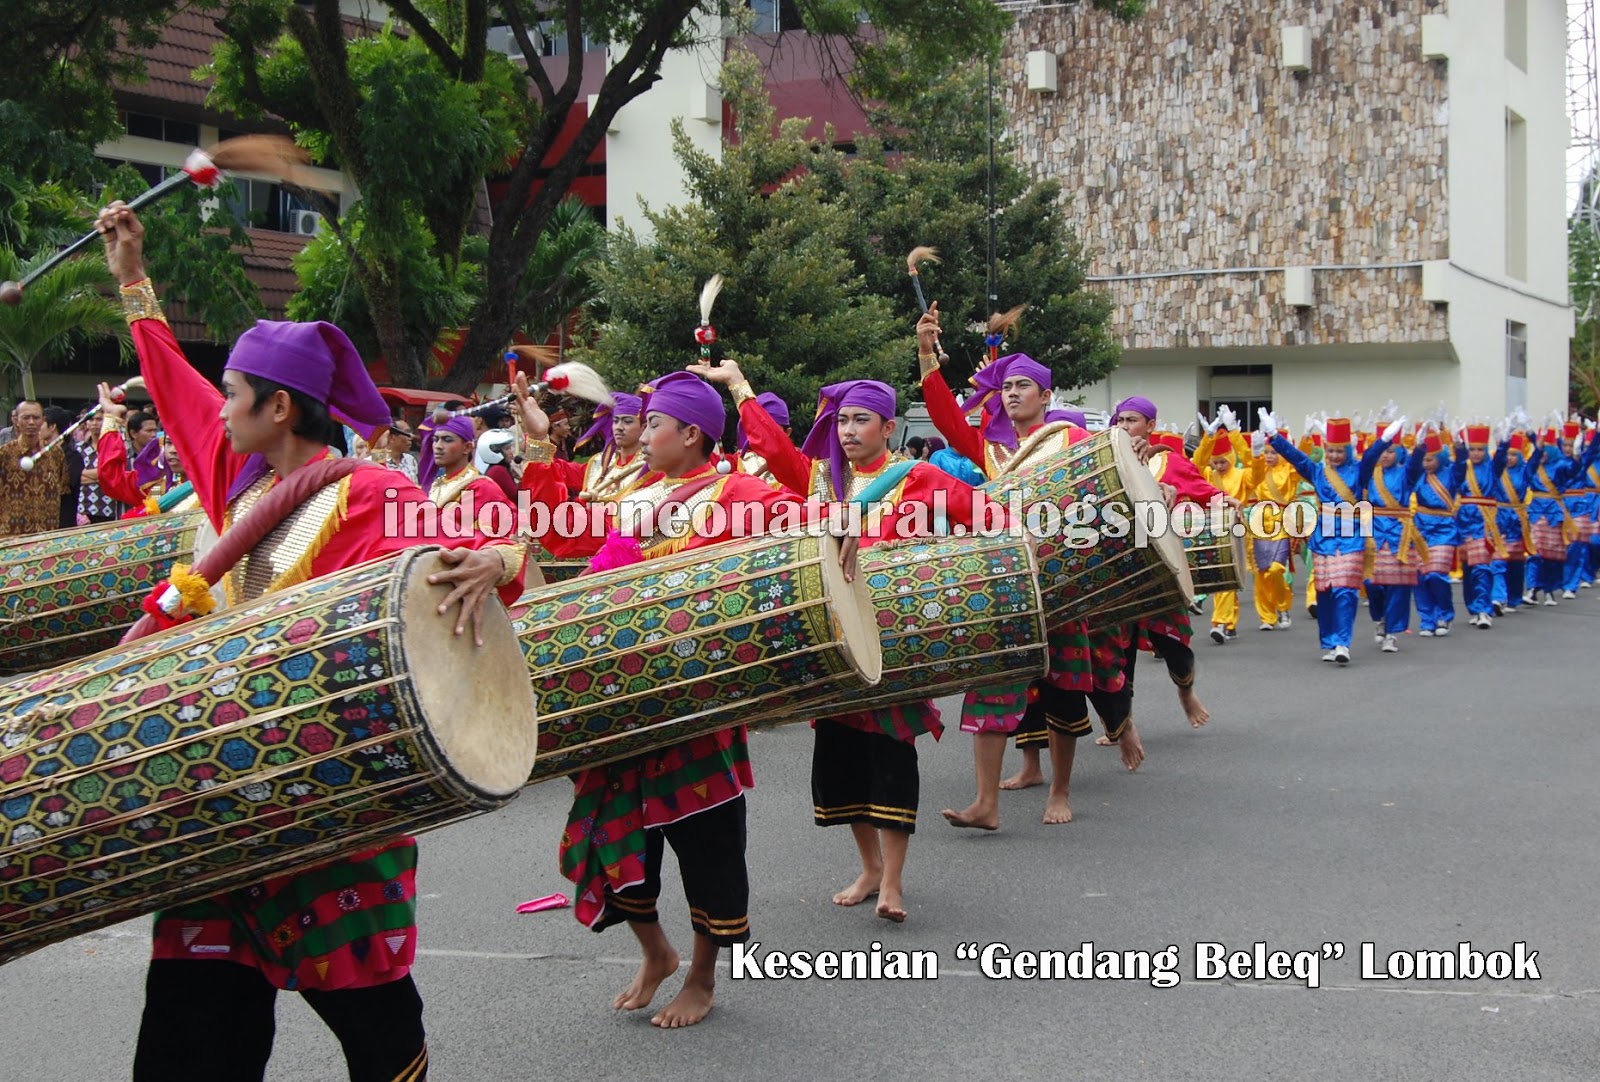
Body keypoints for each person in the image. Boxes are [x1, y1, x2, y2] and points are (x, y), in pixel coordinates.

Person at [99, 198, 526, 1082]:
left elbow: (440, 571)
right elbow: (178, 389)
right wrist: (132, 277)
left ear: (280, 406)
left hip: (328, 797)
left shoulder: (369, 494)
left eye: (236, 396)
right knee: (190, 1024)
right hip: (219, 787)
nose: (218, 411)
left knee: (377, 1032)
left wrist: (502, 555)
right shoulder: (238, 476)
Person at [517, 369, 811, 1029]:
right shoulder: (640, 497)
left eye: (654, 424)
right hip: (628, 705)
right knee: (615, 839)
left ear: (692, 433)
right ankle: (656, 952)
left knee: (707, 851)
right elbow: (568, 542)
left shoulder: (741, 493)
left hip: (699, 707)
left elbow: (809, 515)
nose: (642, 434)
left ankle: (702, 978)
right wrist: (541, 450)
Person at [696, 355, 983, 923]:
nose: (848, 431)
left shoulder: (918, 478)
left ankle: (893, 883)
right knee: (844, 765)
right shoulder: (821, 481)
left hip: (894, 642)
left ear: (886, 427)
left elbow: (987, 518)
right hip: (834, 645)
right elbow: (775, 450)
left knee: (892, 761)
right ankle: (870, 868)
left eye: (860, 421)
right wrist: (738, 386)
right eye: (842, 421)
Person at [914, 303, 1106, 826]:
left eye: (1024, 386)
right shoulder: (991, 450)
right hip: (1007, 584)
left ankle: (1060, 791)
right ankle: (986, 804)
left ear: (1046, 397)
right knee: (991, 688)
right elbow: (947, 418)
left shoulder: (1072, 442)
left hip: (1061, 581)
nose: (1013, 393)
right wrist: (927, 352)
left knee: (1066, 691)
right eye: (1007, 386)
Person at [1110, 395, 1215, 731]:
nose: (1124, 427)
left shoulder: (1170, 463)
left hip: (1160, 570)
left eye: (1132, 420)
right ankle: (1123, 725)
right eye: (1120, 421)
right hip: (1119, 569)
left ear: (1150, 426)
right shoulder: (1107, 460)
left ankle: (1186, 691)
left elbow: (1207, 493)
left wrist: (1228, 503)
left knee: (1174, 647)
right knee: (1117, 655)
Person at [1264, 412, 1397, 663]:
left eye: (1340, 451)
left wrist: (1385, 439)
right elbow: (1296, 457)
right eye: (1331, 451)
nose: (1335, 455)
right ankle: (1329, 640)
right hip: (1324, 537)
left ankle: (1342, 643)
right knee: (1325, 592)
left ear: (1347, 450)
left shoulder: (1360, 470)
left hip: (1351, 536)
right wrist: (1273, 436)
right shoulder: (1317, 471)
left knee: (1345, 590)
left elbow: (1370, 456)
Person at [1362, 420, 1427, 653]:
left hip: (1400, 534)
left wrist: (1420, 447)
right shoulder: (1370, 473)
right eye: (1383, 451)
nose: (1386, 455)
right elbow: (1367, 458)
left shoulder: (1405, 475)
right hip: (1374, 531)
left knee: (1397, 587)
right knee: (1371, 583)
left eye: (1391, 451)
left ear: (1399, 451)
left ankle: (1391, 633)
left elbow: (1416, 467)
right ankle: (1380, 617)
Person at [1191, 407, 1251, 643]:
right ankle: (1228, 623)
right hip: (1212, 529)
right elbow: (1195, 464)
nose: (1218, 465)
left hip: (1237, 529)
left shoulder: (1243, 475)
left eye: (1222, 460)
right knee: (1221, 576)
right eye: (1215, 461)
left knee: (1228, 573)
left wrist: (1235, 433)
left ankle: (1221, 622)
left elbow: (1255, 466)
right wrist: (1209, 437)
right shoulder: (1207, 473)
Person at [1411, 426, 1461, 637]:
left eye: (1430, 459)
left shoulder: (1451, 474)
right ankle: (1427, 618)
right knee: (1420, 577)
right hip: (1420, 528)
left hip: (1444, 529)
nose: (1426, 463)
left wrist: (1460, 445)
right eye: (1424, 459)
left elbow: (1462, 466)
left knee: (1436, 574)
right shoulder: (1416, 476)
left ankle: (1444, 615)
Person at [0, 399, 69, 537]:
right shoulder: (4, 454)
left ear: (43, 420)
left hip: (47, 535)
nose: (31, 422)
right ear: (16, 420)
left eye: (36, 417)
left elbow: (64, 492)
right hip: (12, 536)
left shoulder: (56, 454)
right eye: (26, 418)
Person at [41, 405, 85, 530]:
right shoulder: (39, 454)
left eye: (41, 423)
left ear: (53, 426)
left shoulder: (72, 456)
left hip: (62, 523)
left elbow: (61, 486)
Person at [735, 391, 789, 485]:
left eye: (772, 430)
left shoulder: (798, 462)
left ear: (787, 432)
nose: (765, 436)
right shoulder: (736, 462)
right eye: (760, 430)